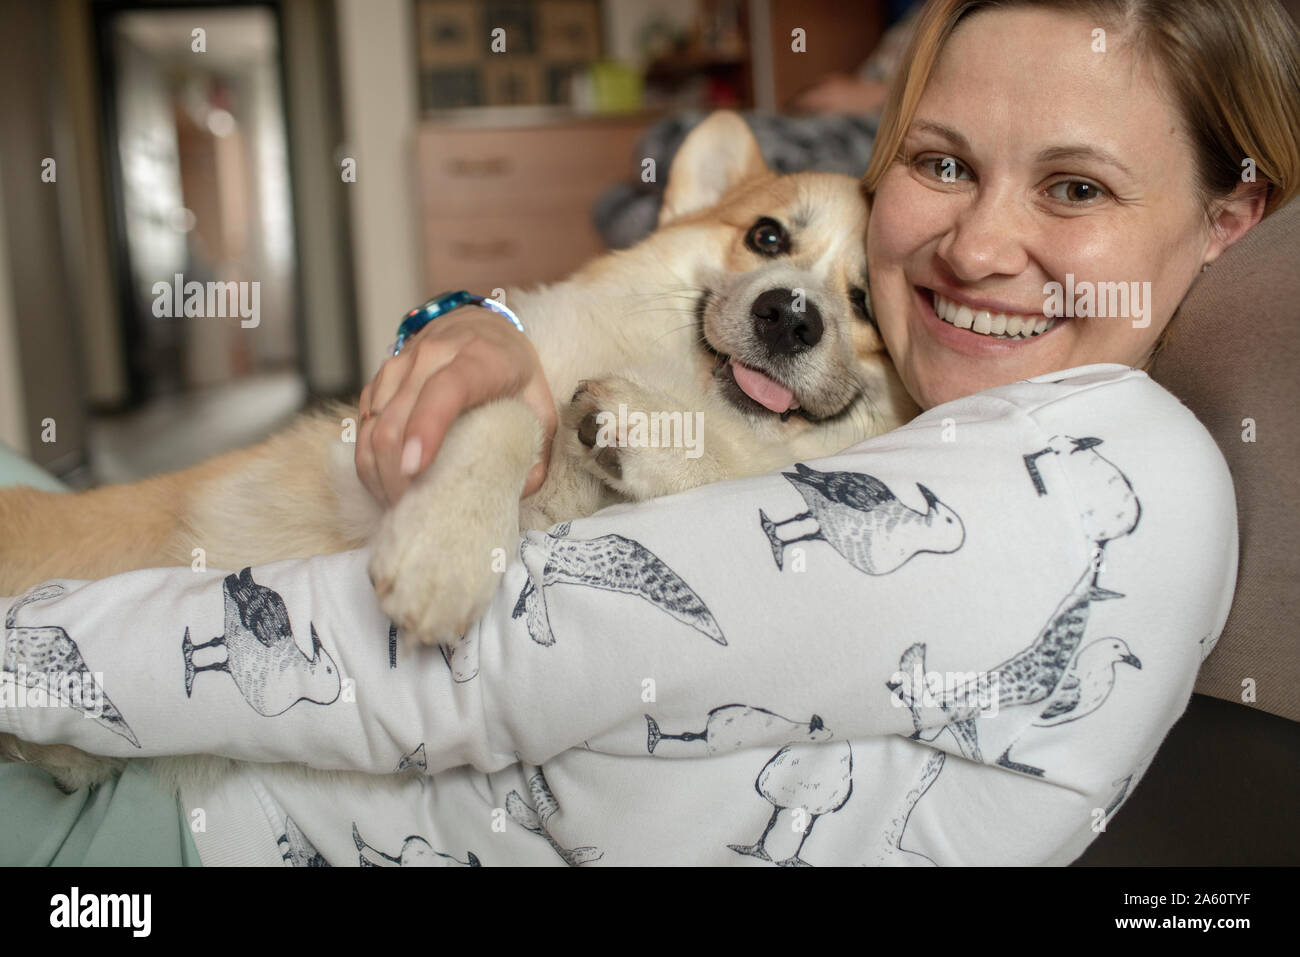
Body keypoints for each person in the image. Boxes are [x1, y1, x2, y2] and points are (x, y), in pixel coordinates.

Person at [2, 0, 1297, 866]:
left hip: (186, 802)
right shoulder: (974, 401)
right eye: (945, 162)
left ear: (1230, 219)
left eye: (1076, 187)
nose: (973, 244)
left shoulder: (1074, 480)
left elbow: (474, 664)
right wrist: (495, 325)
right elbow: (635, 301)